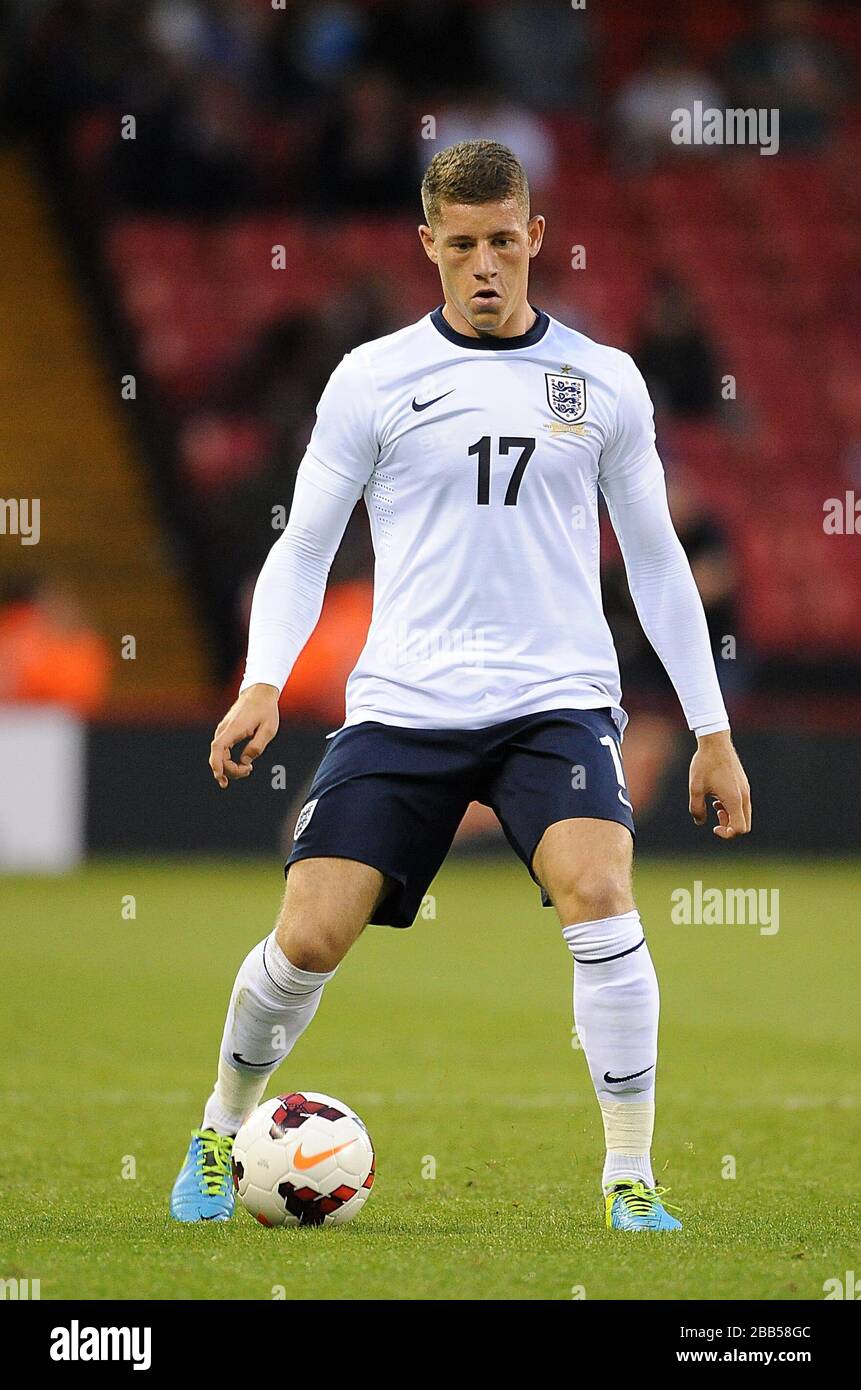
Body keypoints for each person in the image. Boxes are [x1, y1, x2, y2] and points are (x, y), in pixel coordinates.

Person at [171, 140, 751, 1232]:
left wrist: (711, 728)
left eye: (503, 241)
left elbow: (660, 559)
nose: (485, 264)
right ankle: (215, 1129)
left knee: (601, 892)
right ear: (427, 247)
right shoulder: (373, 377)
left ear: (534, 238)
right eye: (462, 245)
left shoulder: (604, 381)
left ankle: (629, 1175)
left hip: (557, 700)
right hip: (405, 703)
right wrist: (262, 682)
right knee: (307, 938)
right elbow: (303, 549)